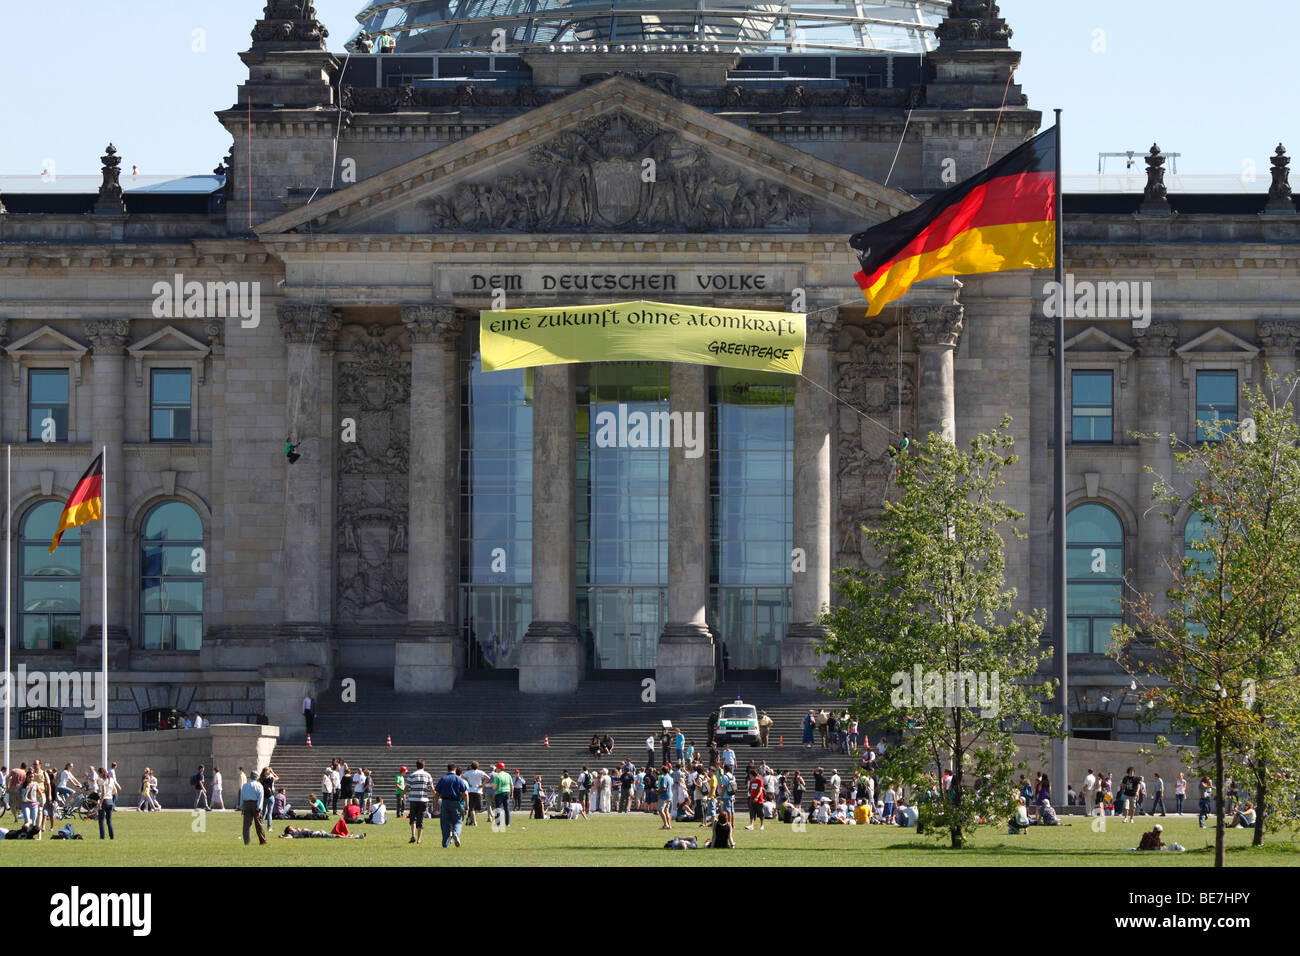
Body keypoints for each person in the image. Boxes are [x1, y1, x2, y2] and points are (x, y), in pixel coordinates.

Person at [435, 763, 468, 848]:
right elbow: (465, 793)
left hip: (444, 802)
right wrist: (467, 805)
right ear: (455, 769)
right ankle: (456, 834)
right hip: (455, 803)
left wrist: (436, 806)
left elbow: (436, 794)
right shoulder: (458, 779)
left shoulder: (443, 779)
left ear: (447, 769)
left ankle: (445, 844)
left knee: (445, 823)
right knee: (458, 821)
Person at [406, 759, 433, 844]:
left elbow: (407, 787)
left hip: (413, 799)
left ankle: (413, 835)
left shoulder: (412, 775)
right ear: (423, 766)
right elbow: (431, 787)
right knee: (420, 819)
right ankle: (419, 839)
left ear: (416, 766)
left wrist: (403, 794)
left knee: (412, 818)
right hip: (423, 800)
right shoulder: (428, 775)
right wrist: (435, 794)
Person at [240, 772, 267, 845]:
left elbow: (242, 797)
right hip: (255, 804)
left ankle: (247, 842)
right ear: (257, 777)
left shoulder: (245, 785)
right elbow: (260, 798)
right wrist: (259, 809)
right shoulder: (259, 785)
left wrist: (242, 807)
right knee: (259, 824)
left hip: (246, 804)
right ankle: (262, 841)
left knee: (246, 825)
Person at [460, 760, 487, 825]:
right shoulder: (480, 772)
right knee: (477, 807)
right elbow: (488, 778)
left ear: (471, 766)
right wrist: (483, 784)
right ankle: (474, 822)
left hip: (471, 791)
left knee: (473, 808)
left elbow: (461, 777)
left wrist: (468, 783)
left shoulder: (468, 772)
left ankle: (470, 818)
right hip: (478, 791)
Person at [491, 762, 512, 828]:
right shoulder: (508, 775)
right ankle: (508, 823)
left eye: (497, 767)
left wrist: (492, 786)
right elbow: (512, 784)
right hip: (507, 792)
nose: (496, 769)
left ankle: (498, 823)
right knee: (507, 808)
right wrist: (512, 793)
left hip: (499, 793)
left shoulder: (497, 776)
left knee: (498, 808)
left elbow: (494, 787)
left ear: (499, 768)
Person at [279, 824, 366, 839]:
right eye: (292, 828)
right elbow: (289, 837)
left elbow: (307, 830)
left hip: (317, 833)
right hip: (316, 835)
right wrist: (283, 836)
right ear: (290, 831)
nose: (294, 828)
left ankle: (349, 836)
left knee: (334, 835)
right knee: (336, 836)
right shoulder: (295, 835)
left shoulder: (298, 832)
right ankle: (356, 837)